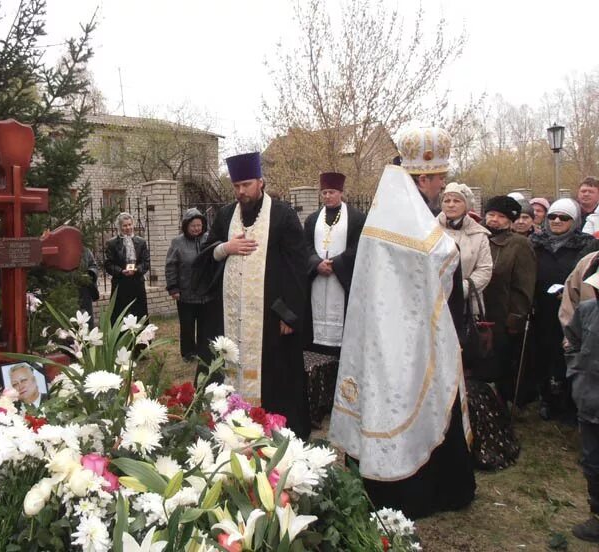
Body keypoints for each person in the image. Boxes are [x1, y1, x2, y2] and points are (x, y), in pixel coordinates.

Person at [331, 126, 475, 519]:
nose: (442, 185)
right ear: (423, 178)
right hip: (407, 336)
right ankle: (419, 492)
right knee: (410, 397)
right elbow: (439, 258)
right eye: (440, 178)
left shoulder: (393, 212)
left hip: (395, 334)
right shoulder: (403, 218)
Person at [193, 152, 310, 439]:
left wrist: (289, 315)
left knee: (275, 378)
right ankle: (230, 426)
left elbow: (297, 267)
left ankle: (275, 432)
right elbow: (206, 256)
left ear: (260, 181)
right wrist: (226, 248)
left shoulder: (283, 216)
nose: (241, 192)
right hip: (231, 316)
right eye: (236, 186)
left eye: (246, 184)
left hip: (271, 318)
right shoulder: (224, 216)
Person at [440, 184, 519, 469]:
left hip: (463, 306)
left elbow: (485, 269)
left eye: (456, 200)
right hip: (434, 304)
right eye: (446, 200)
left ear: (466, 204)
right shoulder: (429, 228)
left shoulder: (478, 235)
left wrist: (459, 288)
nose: (450, 205)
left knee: (465, 364)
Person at [530, 199, 594, 421]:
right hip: (541, 307)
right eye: (552, 216)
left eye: (564, 217)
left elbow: (584, 275)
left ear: (574, 220)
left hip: (572, 308)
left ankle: (569, 401)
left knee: (569, 352)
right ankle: (547, 398)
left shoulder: (585, 244)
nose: (557, 221)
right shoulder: (535, 241)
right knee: (543, 352)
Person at [303, 171, 366, 355]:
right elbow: (305, 246)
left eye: (331, 192)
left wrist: (336, 264)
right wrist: (316, 263)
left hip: (342, 281)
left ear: (340, 192)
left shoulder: (357, 218)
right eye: (324, 193)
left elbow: (359, 247)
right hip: (317, 280)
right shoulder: (312, 219)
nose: (328, 196)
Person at [481, 196, 536, 404]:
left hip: (501, 315)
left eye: (501, 216)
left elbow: (524, 285)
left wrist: (516, 317)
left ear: (510, 221)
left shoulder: (519, 245)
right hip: (477, 310)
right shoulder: (479, 238)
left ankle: (501, 405)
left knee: (500, 363)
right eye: (491, 214)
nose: (494, 219)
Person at [563, 270, 599, 543]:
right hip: (590, 400)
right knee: (592, 461)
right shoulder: (587, 311)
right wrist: (576, 374)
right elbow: (572, 342)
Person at [166, 208, 212, 362]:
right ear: (186, 226)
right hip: (186, 292)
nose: (196, 228)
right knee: (187, 325)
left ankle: (203, 350)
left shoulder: (208, 239)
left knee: (205, 324)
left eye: (199, 225)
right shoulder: (177, 242)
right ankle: (188, 352)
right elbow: (171, 266)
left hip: (205, 291)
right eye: (193, 226)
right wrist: (173, 287)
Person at [104, 212, 150, 323]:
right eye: (125, 225)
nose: (128, 228)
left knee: (139, 314)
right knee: (120, 316)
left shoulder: (141, 242)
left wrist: (137, 270)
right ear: (119, 227)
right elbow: (108, 264)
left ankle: (141, 339)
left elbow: (146, 262)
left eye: (130, 224)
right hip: (120, 285)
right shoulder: (112, 244)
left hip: (137, 283)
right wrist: (121, 271)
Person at [76, 247, 100, 330]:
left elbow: (94, 266)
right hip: (68, 290)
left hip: (84, 290)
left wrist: (90, 274)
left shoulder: (85, 250)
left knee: (86, 318)